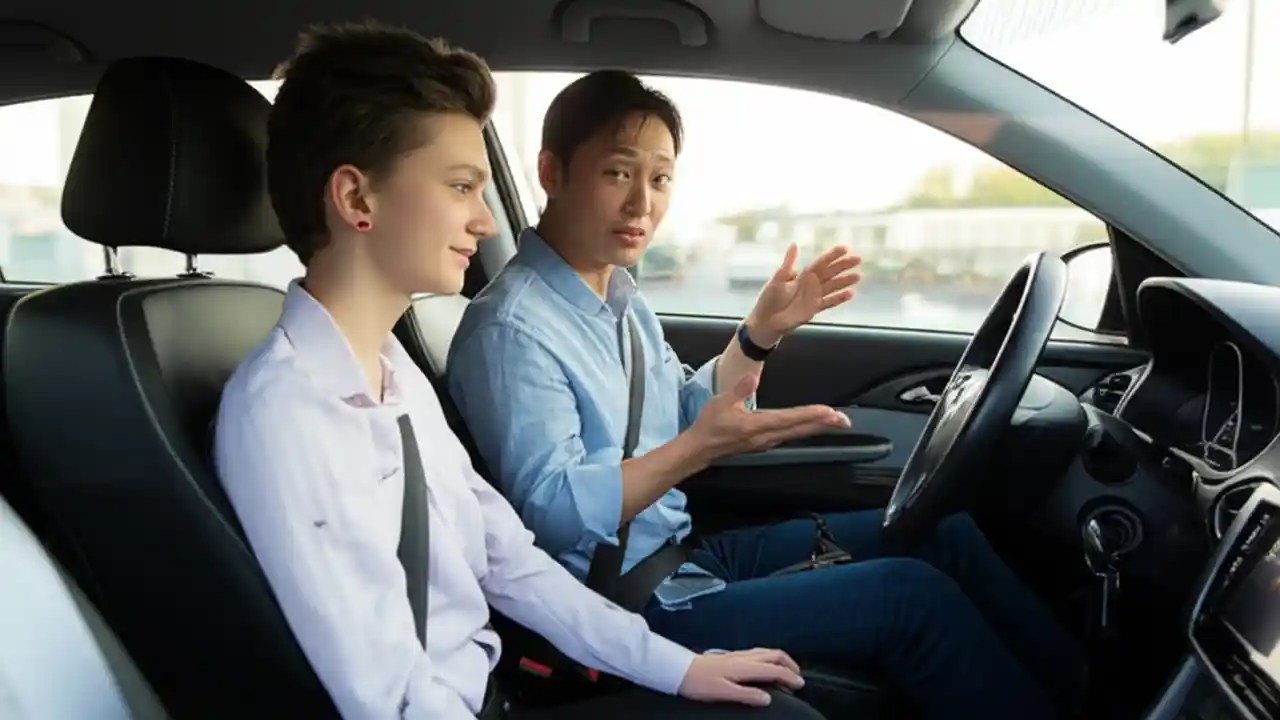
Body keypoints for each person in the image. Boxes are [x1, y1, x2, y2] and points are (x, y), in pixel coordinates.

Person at [213, 23, 826, 720]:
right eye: (461, 187)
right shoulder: (287, 414)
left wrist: (679, 668)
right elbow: (387, 700)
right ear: (357, 200)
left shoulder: (391, 374)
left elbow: (508, 559)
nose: (482, 221)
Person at [447, 70, 1088, 719]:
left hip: (685, 556)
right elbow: (551, 513)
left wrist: (757, 336)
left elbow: (684, 412)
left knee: (942, 533)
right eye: (618, 173)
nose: (643, 203)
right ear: (552, 172)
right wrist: (697, 449)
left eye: (661, 179)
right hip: (627, 602)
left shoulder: (617, 298)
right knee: (910, 596)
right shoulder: (511, 330)